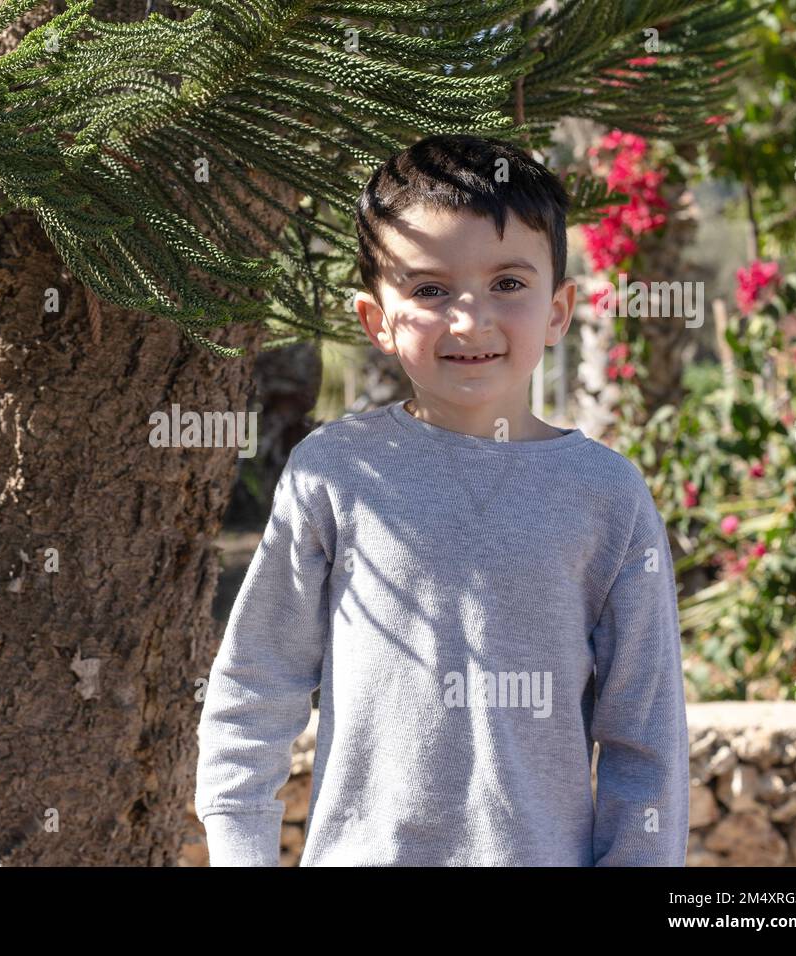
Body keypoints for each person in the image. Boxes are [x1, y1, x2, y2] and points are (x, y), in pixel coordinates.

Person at [194, 134, 689, 866]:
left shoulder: (607, 496)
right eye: (429, 290)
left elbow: (644, 742)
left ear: (558, 311)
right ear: (377, 320)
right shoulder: (335, 473)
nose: (469, 320)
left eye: (508, 285)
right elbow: (253, 691)